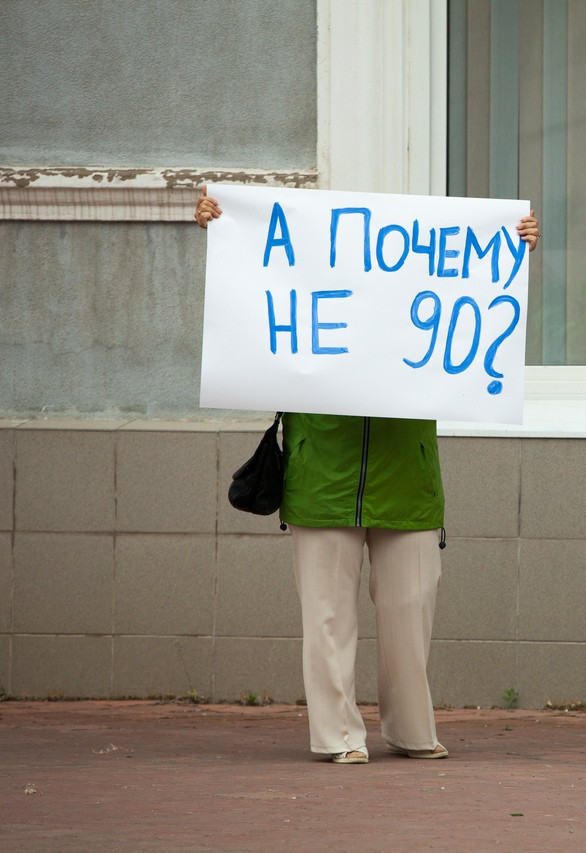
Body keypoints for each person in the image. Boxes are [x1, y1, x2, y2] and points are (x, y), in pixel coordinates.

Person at [196, 188, 540, 764]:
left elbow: (474, 291)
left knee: (411, 611)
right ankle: (337, 737)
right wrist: (222, 226)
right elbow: (250, 291)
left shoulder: (421, 292)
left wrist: (510, 242)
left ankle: (411, 730)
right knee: (326, 617)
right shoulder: (302, 283)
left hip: (405, 473)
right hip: (322, 473)